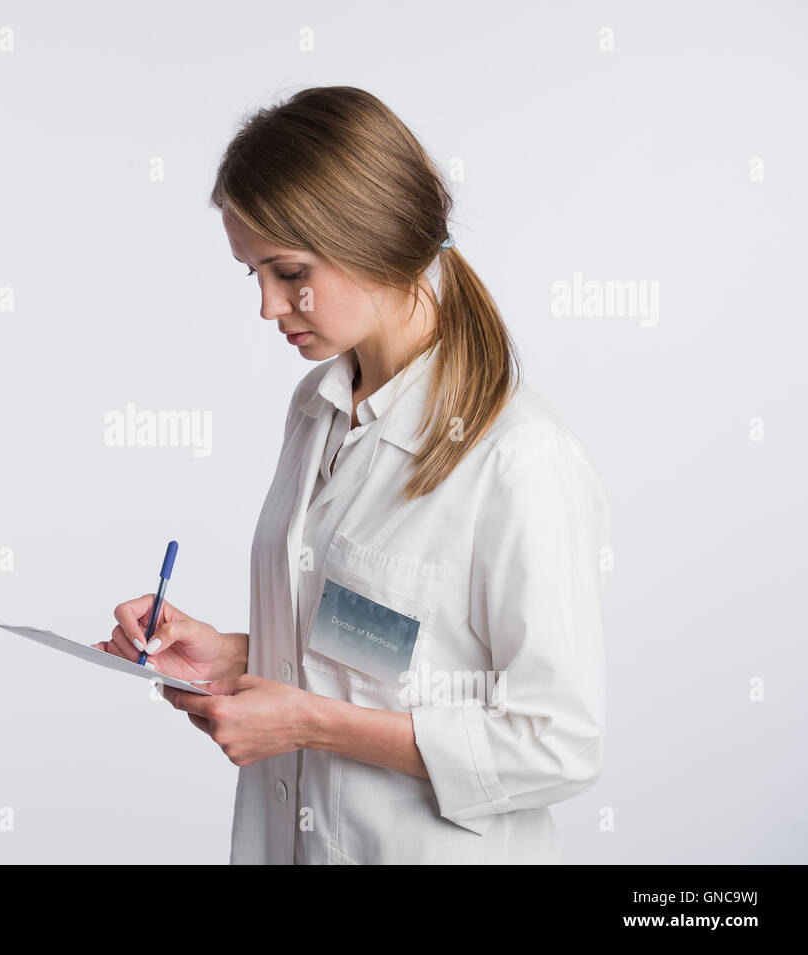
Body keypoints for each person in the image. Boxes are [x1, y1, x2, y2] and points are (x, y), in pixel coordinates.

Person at [92, 86, 610, 865]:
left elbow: (557, 742)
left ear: (374, 241)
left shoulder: (517, 455)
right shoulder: (318, 408)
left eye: (289, 271)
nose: (269, 306)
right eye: (253, 275)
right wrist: (242, 655)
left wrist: (306, 721)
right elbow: (399, 647)